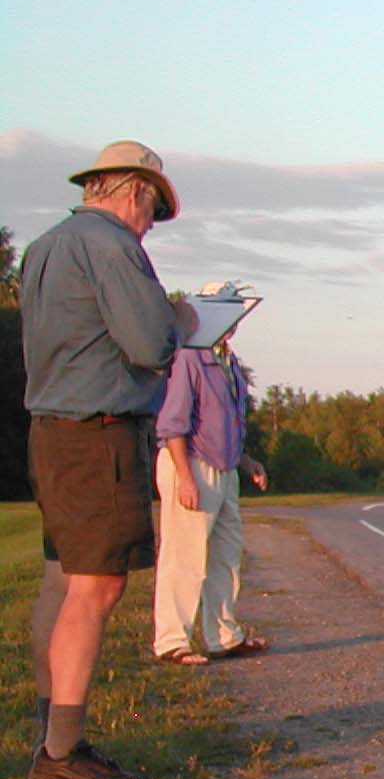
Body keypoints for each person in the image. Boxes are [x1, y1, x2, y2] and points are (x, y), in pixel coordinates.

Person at [21, 139, 189, 779]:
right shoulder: (113, 246)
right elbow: (150, 344)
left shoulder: (47, 246)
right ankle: (63, 753)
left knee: (60, 582)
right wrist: (181, 320)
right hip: (99, 434)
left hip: (52, 430)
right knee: (97, 586)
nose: (151, 225)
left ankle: (52, 735)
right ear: (136, 192)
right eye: (153, 210)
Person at [152, 282, 270, 666]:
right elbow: (172, 424)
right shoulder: (189, 356)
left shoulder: (227, 360)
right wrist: (185, 478)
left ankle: (223, 637)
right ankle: (172, 641)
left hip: (225, 468)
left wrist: (247, 462)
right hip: (191, 465)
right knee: (185, 557)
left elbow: (225, 423)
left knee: (225, 557)